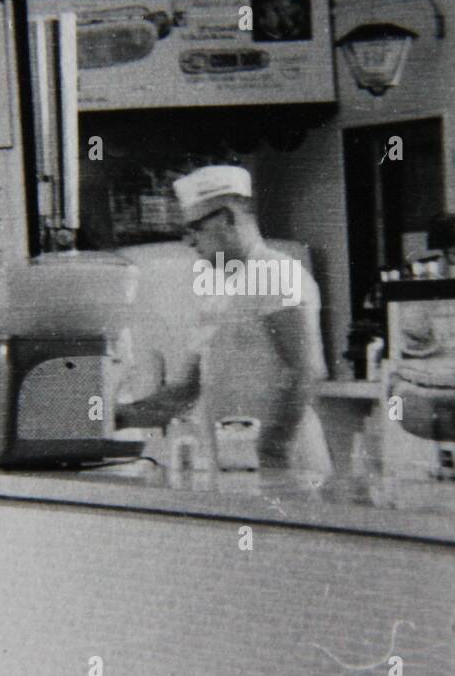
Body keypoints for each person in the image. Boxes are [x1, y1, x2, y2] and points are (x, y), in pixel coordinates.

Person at [115, 165, 332, 474]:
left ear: (228, 218)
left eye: (195, 228)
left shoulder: (277, 273)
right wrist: (115, 416)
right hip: (234, 462)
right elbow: (183, 392)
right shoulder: (218, 291)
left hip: (284, 463)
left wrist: (272, 450)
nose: (189, 242)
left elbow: (305, 371)